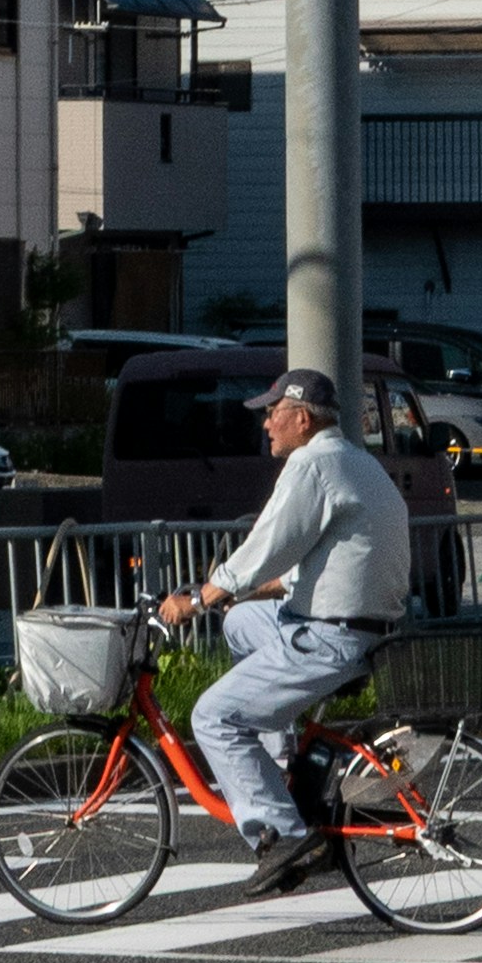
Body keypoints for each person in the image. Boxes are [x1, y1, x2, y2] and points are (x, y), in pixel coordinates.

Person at [158, 367, 417, 898]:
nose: (266, 425)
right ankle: (279, 763)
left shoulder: (312, 465)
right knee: (240, 622)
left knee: (213, 715)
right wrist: (237, 596)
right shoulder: (356, 462)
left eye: (272, 413)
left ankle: (285, 834)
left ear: (302, 418)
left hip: (331, 637)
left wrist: (200, 597)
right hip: (360, 624)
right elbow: (322, 560)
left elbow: (267, 543)